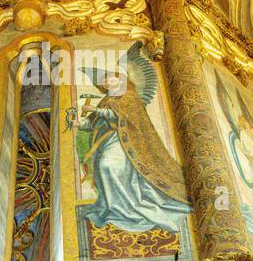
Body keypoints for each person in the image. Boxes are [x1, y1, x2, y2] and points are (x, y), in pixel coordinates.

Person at [78, 42, 189, 235]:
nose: (107, 82)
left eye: (111, 79)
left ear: (121, 81)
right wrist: (79, 123)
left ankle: (126, 207)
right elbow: (92, 123)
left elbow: (122, 117)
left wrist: (97, 111)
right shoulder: (106, 100)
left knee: (108, 166)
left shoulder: (130, 98)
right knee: (106, 169)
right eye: (105, 81)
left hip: (127, 142)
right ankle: (116, 207)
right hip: (109, 140)